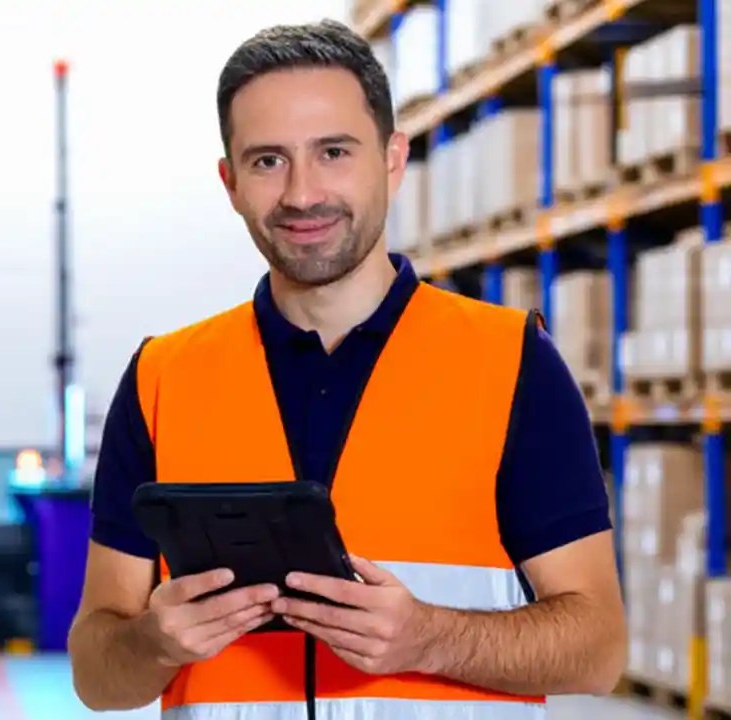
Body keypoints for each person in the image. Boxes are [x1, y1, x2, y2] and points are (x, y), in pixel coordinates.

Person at [67, 19, 626, 720]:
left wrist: (430, 637)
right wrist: (152, 642)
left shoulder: (511, 363)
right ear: (230, 181)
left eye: (333, 152)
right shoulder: (163, 378)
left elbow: (599, 649)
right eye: (268, 160)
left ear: (393, 159)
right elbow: (95, 675)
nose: (303, 194)